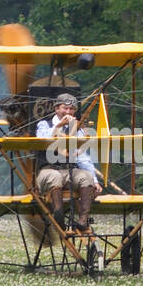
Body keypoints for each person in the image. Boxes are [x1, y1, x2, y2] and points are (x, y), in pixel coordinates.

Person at [35, 92, 101, 234]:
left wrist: (94, 180)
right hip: (47, 170)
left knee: (85, 177)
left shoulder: (76, 128)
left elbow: (82, 156)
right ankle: (58, 214)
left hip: (70, 170)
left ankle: (83, 220)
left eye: (71, 109)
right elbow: (42, 141)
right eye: (65, 108)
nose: (68, 112)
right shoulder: (43, 124)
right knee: (55, 177)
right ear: (56, 109)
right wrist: (59, 125)